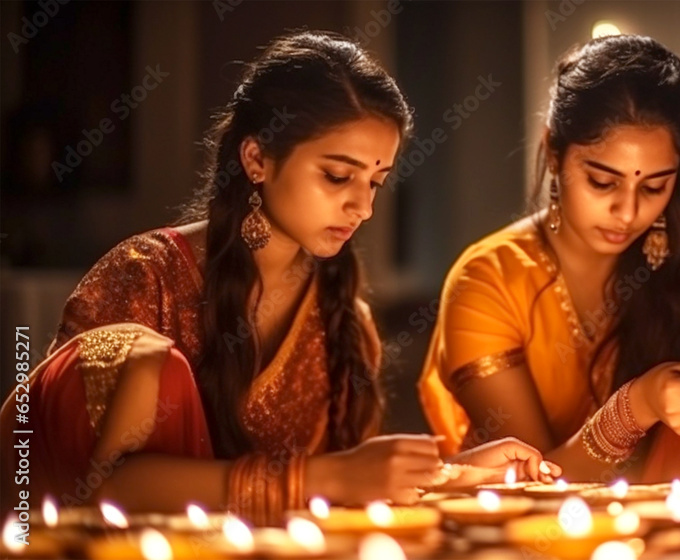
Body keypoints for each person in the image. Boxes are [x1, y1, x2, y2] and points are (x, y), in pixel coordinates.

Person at [0, 31, 558, 526]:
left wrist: (456, 473)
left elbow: (348, 491)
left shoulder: (344, 322)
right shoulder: (146, 277)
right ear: (256, 159)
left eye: (377, 182)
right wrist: (317, 480)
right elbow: (89, 489)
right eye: (338, 175)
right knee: (150, 363)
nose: (362, 207)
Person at [419, 35, 680, 492]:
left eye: (654, 188)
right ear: (554, 152)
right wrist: (636, 408)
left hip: (675, 537)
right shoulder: (488, 281)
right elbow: (534, 487)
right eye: (601, 182)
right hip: (528, 541)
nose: (629, 212)